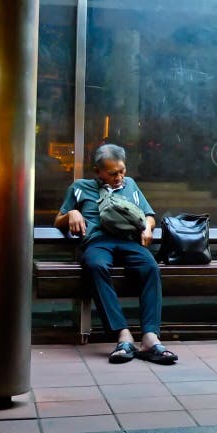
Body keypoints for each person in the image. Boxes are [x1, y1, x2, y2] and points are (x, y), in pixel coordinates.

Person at [55, 143, 178, 365]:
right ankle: (122, 335)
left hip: (129, 241)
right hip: (98, 242)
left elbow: (149, 215)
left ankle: (150, 337)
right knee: (95, 266)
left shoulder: (130, 185)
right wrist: (72, 213)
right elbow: (59, 219)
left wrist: (148, 227)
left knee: (150, 267)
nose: (119, 177)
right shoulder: (80, 187)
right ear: (98, 171)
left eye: (122, 171)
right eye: (112, 173)